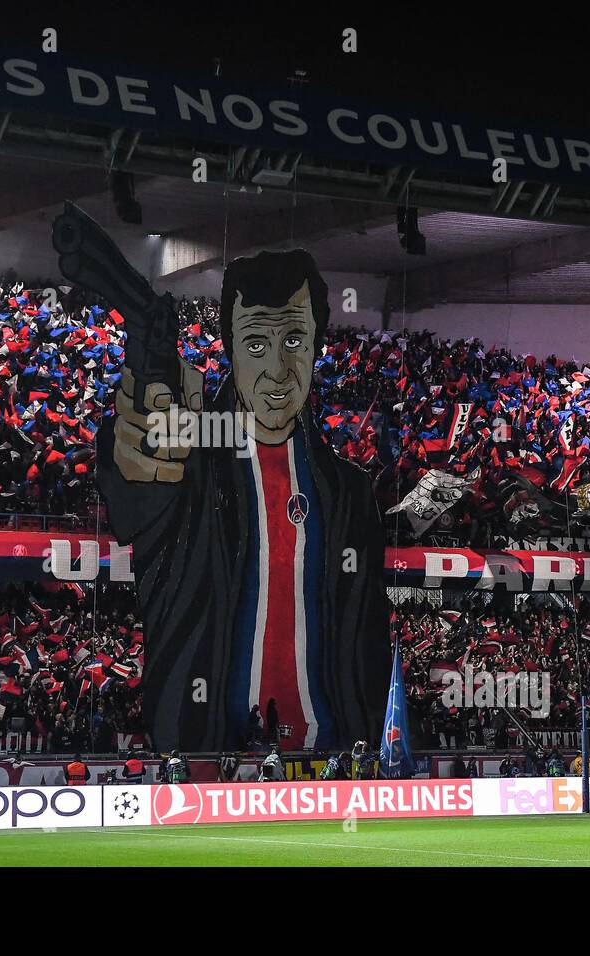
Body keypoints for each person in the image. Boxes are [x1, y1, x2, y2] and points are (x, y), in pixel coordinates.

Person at [91, 242, 390, 752]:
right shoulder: (189, 461)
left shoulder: (350, 493)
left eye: (294, 339)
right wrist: (125, 452)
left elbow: (366, 639)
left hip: (338, 760)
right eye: (256, 345)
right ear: (228, 349)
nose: (277, 370)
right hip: (206, 759)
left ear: (318, 345)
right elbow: (139, 485)